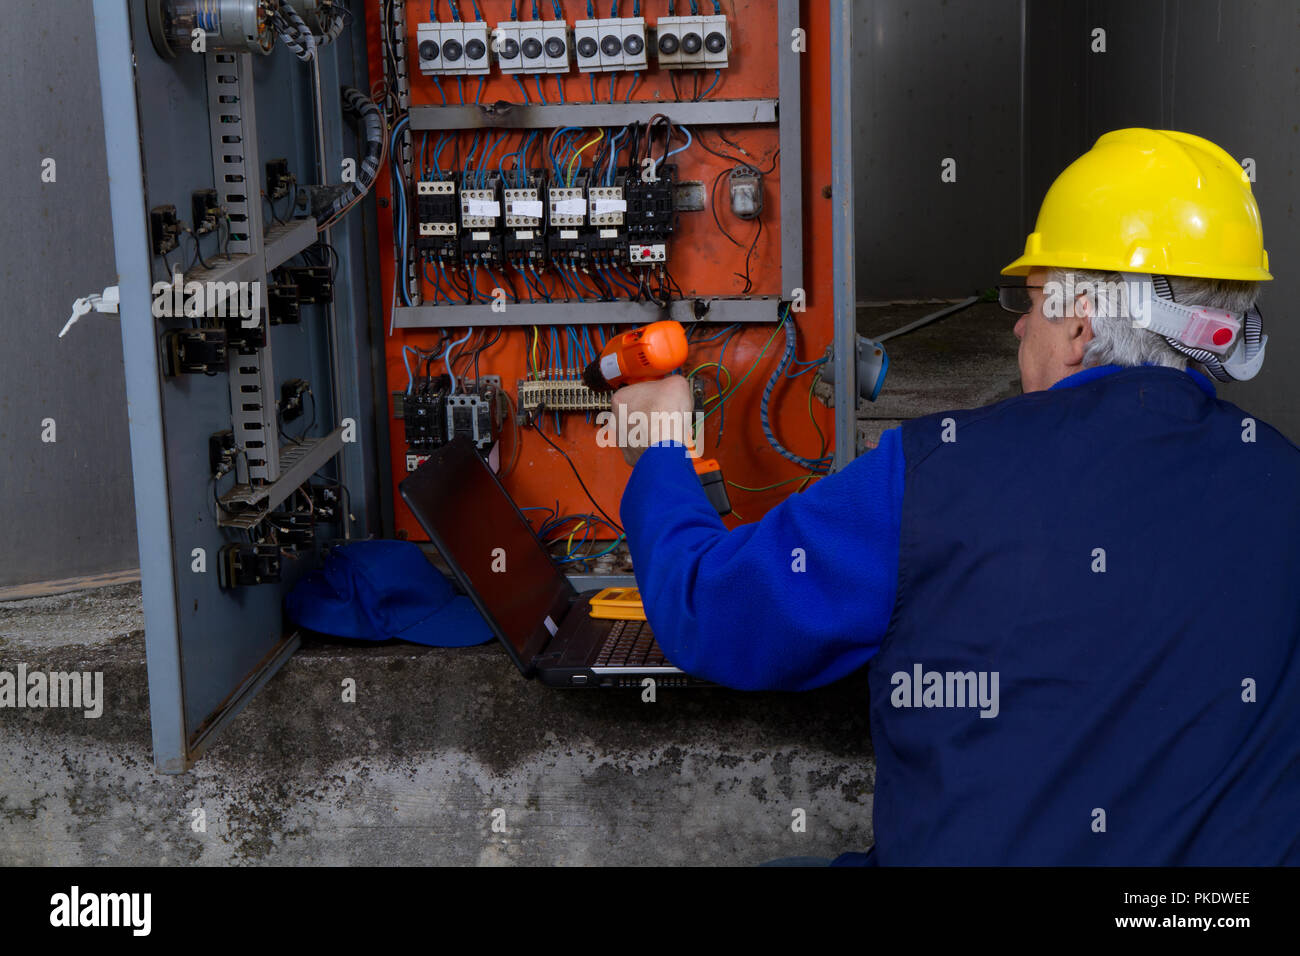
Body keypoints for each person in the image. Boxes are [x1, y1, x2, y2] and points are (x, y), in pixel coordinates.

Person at [611, 128, 1300, 865]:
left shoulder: (931, 475)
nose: (1017, 322)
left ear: (1079, 317)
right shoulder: (1283, 480)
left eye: (1030, 299)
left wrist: (659, 448)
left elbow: (708, 610)